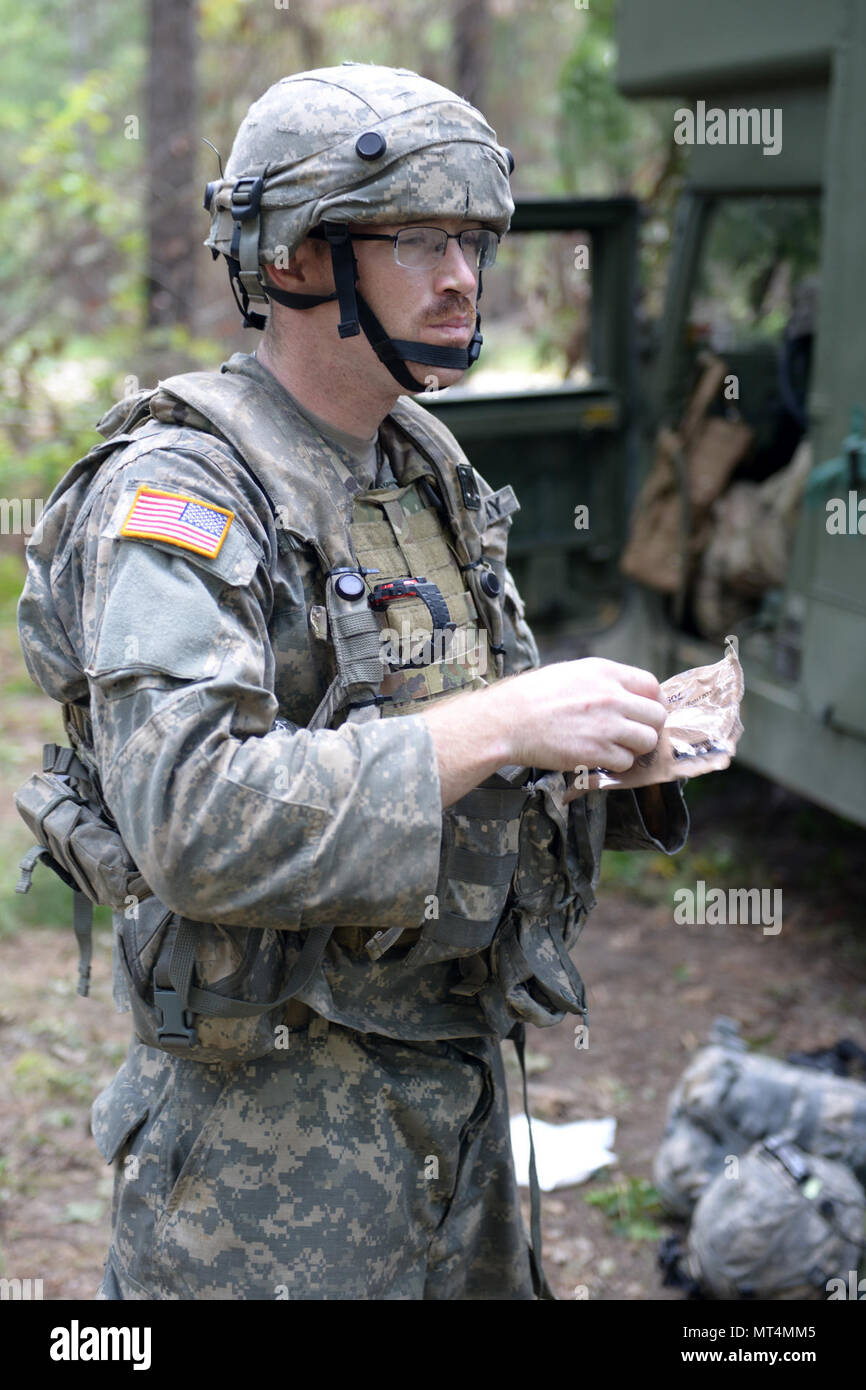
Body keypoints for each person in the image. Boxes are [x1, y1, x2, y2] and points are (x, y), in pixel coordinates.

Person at [18, 63, 688, 1300]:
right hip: (269, 1152)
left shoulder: (415, 459)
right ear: (293, 261)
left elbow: (473, 732)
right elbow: (193, 819)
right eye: (418, 239)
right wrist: (498, 722)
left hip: (455, 1092)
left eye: (472, 241)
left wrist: (587, 746)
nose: (460, 277)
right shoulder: (183, 493)